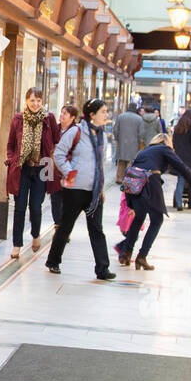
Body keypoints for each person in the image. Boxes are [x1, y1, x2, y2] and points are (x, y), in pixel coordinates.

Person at [46, 98, 115, 280]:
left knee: (97, 229)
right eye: (103, 112)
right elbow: (59, 154)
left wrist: (101, 189)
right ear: (92, 115)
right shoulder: (76, 131)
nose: (106, 115)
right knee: (65, 226)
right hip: (75, 189)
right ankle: (53, 261)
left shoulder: (102, 136)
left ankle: (102, 269)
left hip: (93, 192)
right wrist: (70, 172)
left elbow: (100, 164)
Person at [115, 132, 191, 270]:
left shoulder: (145, 151)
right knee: (157, 220)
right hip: (149, 183)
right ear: (167, 142)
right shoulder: (164, 149)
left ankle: (126, 252)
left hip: (133, 184)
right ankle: (142, 257)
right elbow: (182, 167)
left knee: (139, 217)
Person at [5, 88, 61, 259]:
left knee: (36, 206)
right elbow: (11, 145)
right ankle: (16, 245)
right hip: (22, 168)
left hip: (43, 166)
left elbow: (57, 142)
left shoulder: (48, 119)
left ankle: (36, 234)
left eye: (38, 100)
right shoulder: (18, 119)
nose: (35, 104)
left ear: (42, 101)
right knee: (19, 208)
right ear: (26, 101)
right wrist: (12, 160)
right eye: (32, 100)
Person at [50, 104, 79, 228]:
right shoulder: (54, 129)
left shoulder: (76, 132)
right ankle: (58, 224)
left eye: (65, 113)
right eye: (61, 112)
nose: (61, 115)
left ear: (72, 117)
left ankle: (65, 226)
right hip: (53, 169)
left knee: (67, 200)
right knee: (55, 198)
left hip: (68, 169)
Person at [114, 102, 144, 184]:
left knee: (121, 161)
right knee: (131, 162)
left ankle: (119, 178)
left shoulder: (121, 116)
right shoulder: (139, 119)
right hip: (134, 143)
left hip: (122, 142)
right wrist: (140, 142)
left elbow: (115, 129)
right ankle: (128, 179)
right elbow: (141, 133)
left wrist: (118, 139)